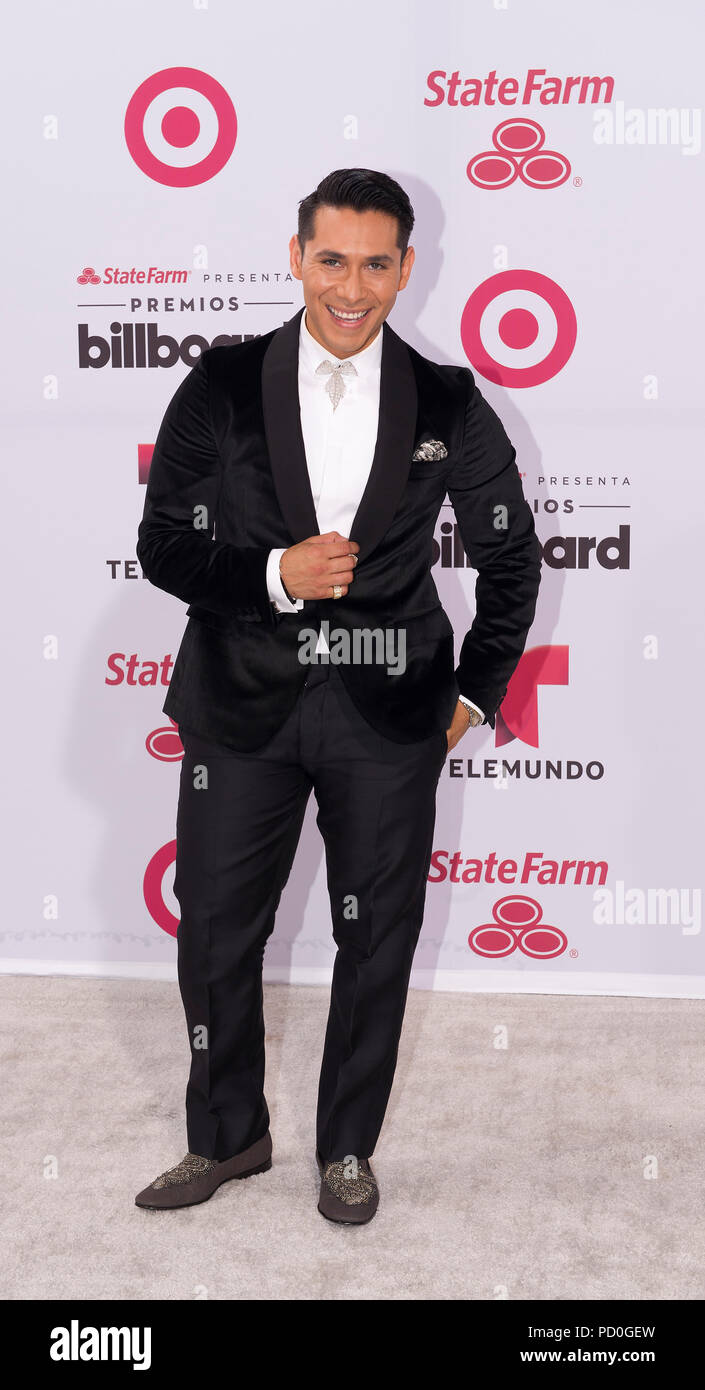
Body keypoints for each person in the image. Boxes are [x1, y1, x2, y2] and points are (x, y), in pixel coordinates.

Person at [134, 167, 542, 1223]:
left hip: (391, 716)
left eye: (374, 262)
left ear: (407, 267)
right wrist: (273, 574)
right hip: (241, 704)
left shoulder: (448, 401)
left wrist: (477, 695)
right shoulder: (220, 385)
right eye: (331, 259)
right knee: (217, 928)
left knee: (379, 936)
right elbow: (162, 545)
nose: (351, 286)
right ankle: (226, 1139)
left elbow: (512, 562)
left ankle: (347, 1148)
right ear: (295, 256)